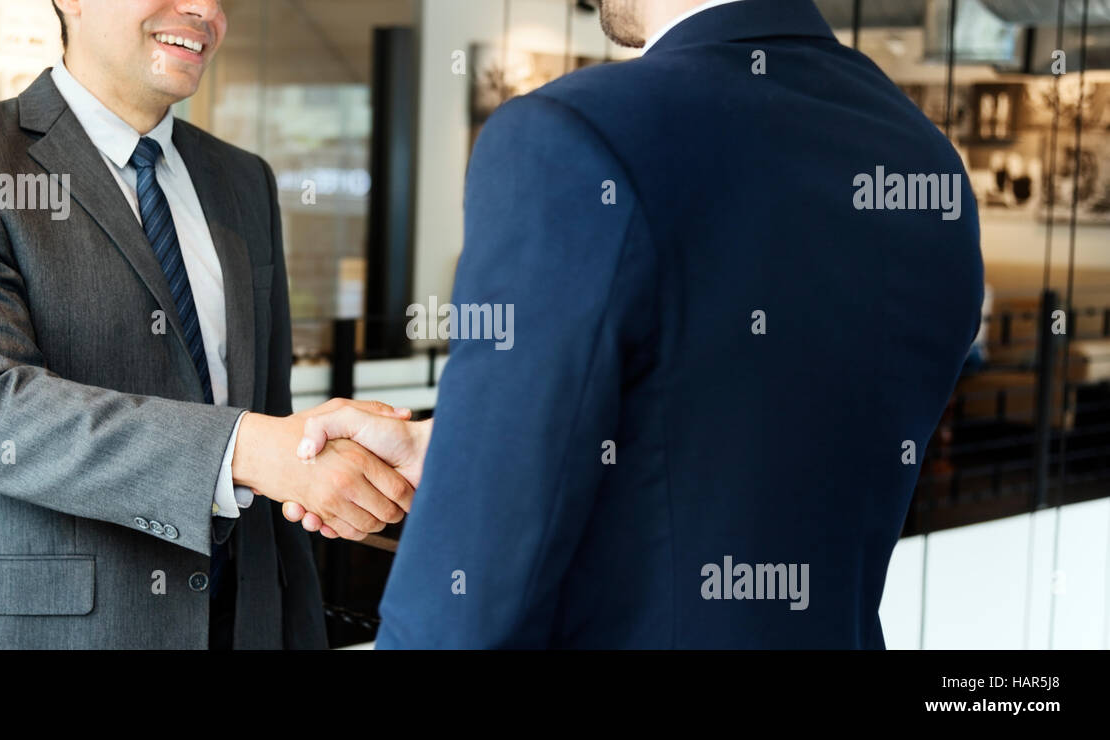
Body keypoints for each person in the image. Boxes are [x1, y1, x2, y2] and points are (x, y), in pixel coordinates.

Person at [286, 0, 984, 648]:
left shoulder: (572, 133)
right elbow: (734, 436)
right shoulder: (924, 159)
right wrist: (457, 445)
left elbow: (468, 598)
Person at [0, 0, 412, 649]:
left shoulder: (243, 180)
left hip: (241, 623)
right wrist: (249, 451)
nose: (203, 10)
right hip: (62, 631)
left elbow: (269, 409)